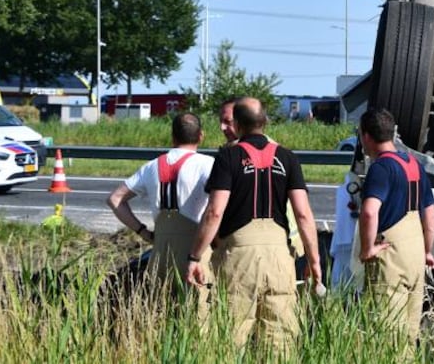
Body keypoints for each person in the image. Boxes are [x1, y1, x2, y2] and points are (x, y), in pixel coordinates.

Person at [186, 97, 321, 351]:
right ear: (265, 121)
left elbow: (215, 212)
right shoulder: (288, 157)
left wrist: (194, 256)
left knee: (229, 341)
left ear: (236, 125)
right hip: (280, 259)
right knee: (280, 345)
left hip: (239, 259)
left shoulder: (228, 157)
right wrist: (314, 262)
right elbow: (303, 215)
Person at [106, 112, 215, 315]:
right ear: (201, 136)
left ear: (172, 137)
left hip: (160, 249)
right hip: (195, 250)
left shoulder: (152, 166)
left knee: (160, 312)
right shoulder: (208, 164)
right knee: (198, 315)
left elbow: (115, 199)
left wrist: (143, 232)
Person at [357, 107, 434, 344]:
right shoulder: (414, 164)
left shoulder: (381, 168)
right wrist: (427, 252)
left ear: (367, 136)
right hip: (415, 254)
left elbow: (370, 212)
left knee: (385, 334)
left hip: (390, 256)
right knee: (409, 336)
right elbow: (430, 216)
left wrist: (367, 248)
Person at [219, 96, 304, 261]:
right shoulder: (282, 153)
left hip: (262, 243)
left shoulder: (233, 156)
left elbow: (216, 210)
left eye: (228, 121)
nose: (222, 127)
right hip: (281, 241)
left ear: (242, 120)